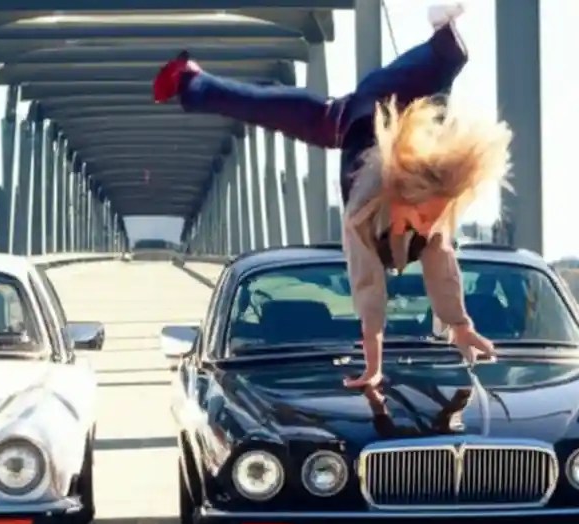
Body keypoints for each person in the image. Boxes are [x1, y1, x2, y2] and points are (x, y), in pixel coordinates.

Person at [152, 3, 511, 389]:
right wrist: (374, 365)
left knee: (271, 109)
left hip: (342, 121)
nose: (427, 225)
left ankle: (192, 83)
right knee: (439, 85)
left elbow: (441, 265)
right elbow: (368, 284)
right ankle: (445, 45)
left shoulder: (429, 218)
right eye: (423, 215)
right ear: (404, 191)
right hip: (374, 109)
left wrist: (459, 324)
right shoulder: (366, 207)